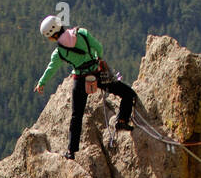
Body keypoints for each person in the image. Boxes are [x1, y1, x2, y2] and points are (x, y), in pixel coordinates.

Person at [34, 17, 137, 160]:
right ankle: (122, 121)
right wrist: (98, 58)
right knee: (128, 94)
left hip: (79, 80)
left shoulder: (59, 53)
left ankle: (71, 151)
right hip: (97, 73)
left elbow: (51, 68)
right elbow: (99, 47)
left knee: (77, 116)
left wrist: (41, 83)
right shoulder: (81, 33)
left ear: (52, 36)